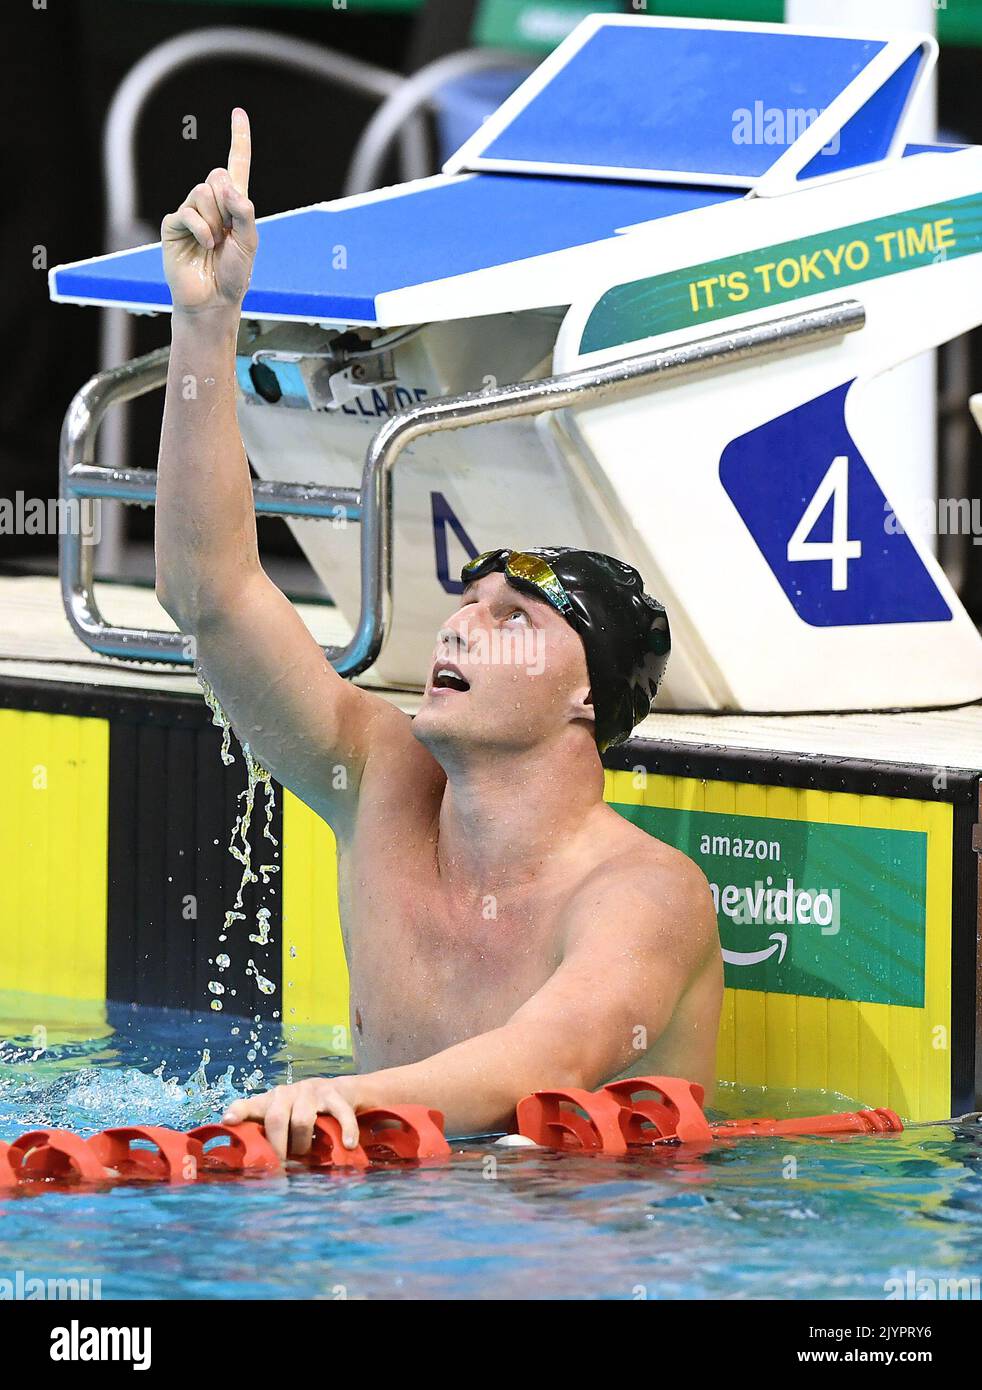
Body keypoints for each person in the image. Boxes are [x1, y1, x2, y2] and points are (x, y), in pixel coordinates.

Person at [154, 110, 722, 1158]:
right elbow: (211, 595)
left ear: (583, 697)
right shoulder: (382, 778)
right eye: (468, 600)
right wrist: (206, 324)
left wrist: (337, 1099)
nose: (465, 623)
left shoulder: (644, 893)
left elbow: (542, 1065)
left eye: (515, 617)